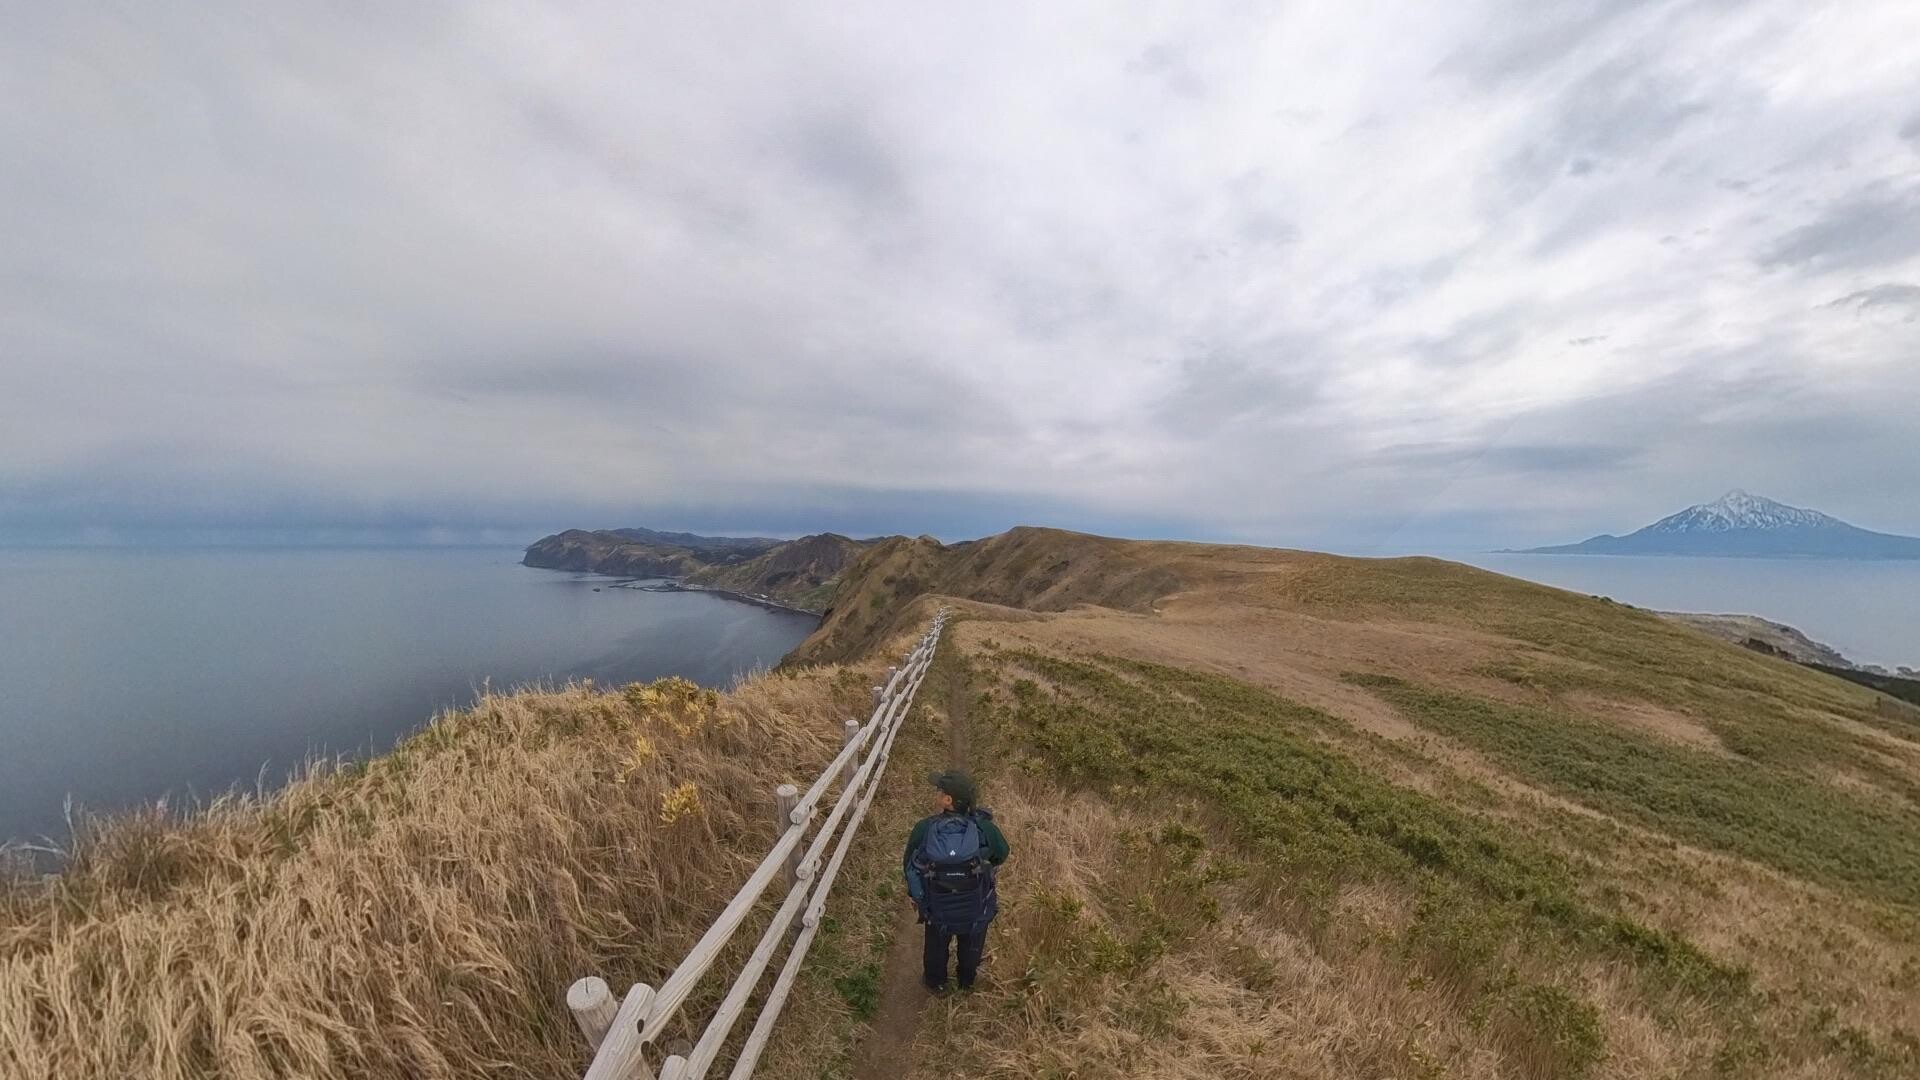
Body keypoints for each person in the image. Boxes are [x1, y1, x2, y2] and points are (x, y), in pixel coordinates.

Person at [903, 769, 1009, 993]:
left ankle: (936, 983)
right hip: (974, 904)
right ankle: (966, 982)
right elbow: (1002, 853)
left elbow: (909, 863)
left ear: (948, 800)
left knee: (936, 943)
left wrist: (915, 895)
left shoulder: (925, 828)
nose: (936, 794)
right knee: (972, 941)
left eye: (939, 791)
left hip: (937, 905)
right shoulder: (984, 828)